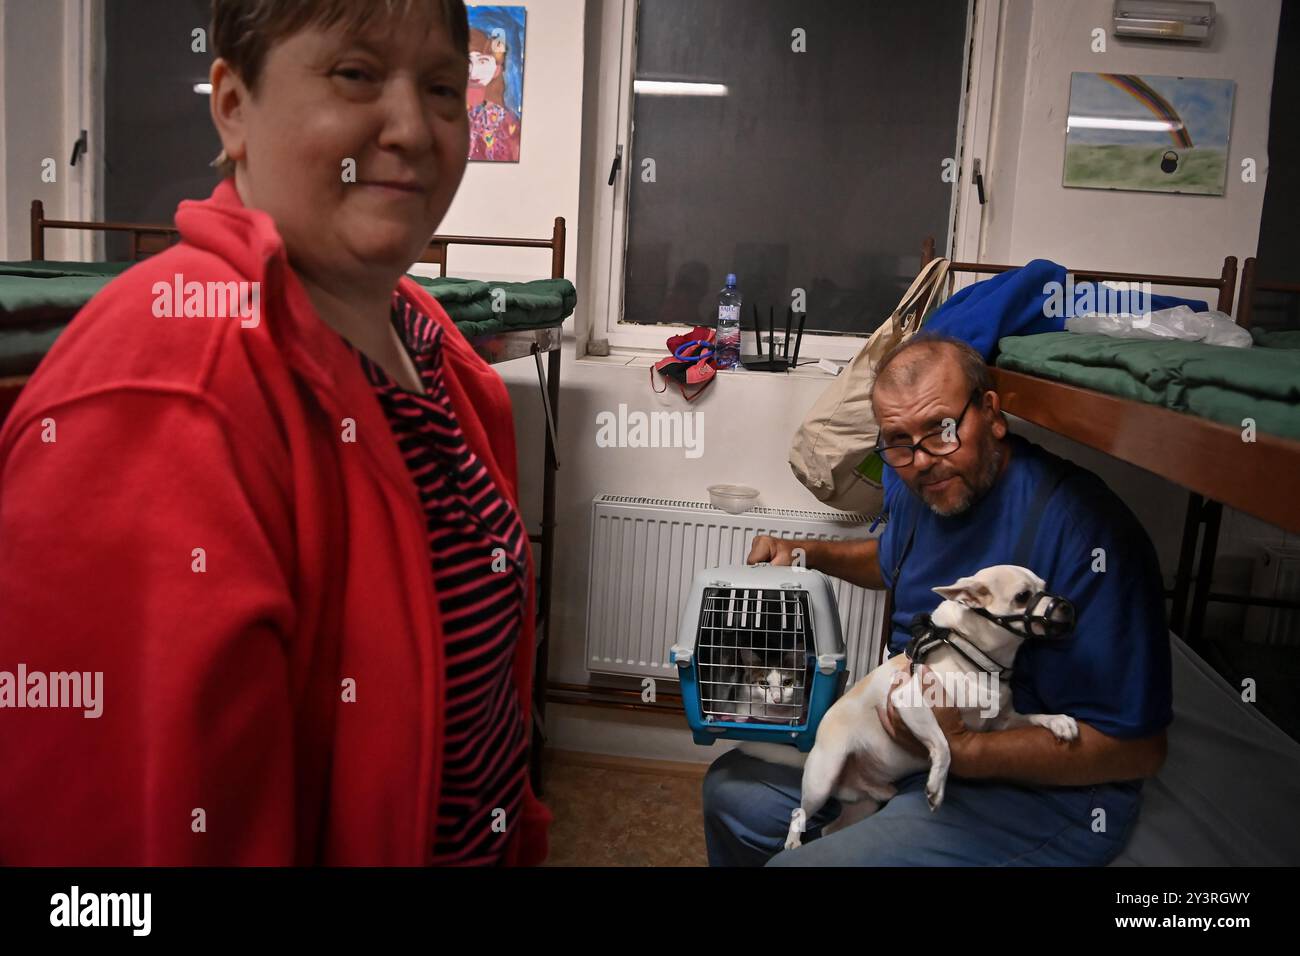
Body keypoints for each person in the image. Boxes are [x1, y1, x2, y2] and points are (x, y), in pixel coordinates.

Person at [0, 0, 551, 865]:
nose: (412, 127)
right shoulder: (164, 392)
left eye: (443, 87)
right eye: (356, 74)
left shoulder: (427, 346)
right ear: (232, 105)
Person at [703, 334, 1171, 866]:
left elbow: (1139, 750)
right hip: (911, 749)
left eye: (943, 430)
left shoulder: (1087, 532)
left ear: (991, 414)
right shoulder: (916, 485)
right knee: (731, 793)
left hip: (1030, 790)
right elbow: (893, 560)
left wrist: (964, 752)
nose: (922, 459)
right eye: (898, 441)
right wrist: (805, 551)